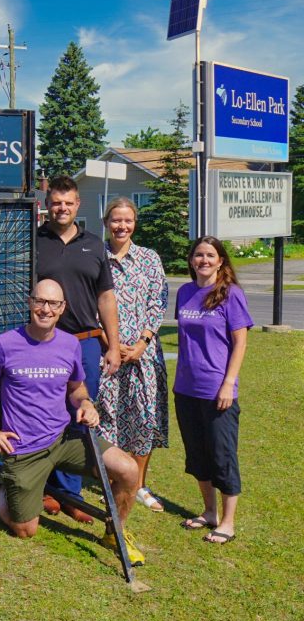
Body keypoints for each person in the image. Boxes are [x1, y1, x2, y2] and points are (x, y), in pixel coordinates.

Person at [0, 280, 144, 564]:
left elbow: (76, 389)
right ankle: (3, 484)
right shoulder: (4, 344)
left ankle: (115, 532)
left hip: (65, 438)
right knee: (25, 530)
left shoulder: (69, 344)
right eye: (40, 301)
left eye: (53, 304)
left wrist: (86, 403)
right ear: (30, 302)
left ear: (62, 308)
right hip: (24, 448)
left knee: (128, 470)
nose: (45, 309)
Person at [35, 175, 121, 524]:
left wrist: (113, 344)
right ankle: (43, 485)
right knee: (41, 411)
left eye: (68, 202)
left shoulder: (95, 245)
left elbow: (106, 297)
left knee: (80, 413)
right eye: (56, 202)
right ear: (47, 202)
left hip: (84, 342)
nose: (62, 208)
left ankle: (70, 493)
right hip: (44, 341)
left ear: (78, 205)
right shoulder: (33, 240)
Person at [174, 237, 251, 545]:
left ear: (221, 261)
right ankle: (209, 512)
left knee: (222, 455)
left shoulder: (231, 294)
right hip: (185, 388)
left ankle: (228, 522)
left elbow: (240, 342)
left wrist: (229, 383)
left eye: (210, 255)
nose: (203, 260)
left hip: (217, 388)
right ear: (191, 260)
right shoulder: (184, 292)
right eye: (198, 255)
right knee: (197, 454)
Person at [95, 199, 170, 512]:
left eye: (127, 220)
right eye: (115, 220)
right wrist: (110, 342)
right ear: (106, 222)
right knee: (108, 419)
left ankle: (138, 484)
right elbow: (88, 303)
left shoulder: (149, 259)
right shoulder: (97, 256)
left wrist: (141, 343)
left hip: (142, 355)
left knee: (143, 417)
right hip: (106, 352)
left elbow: (159, 301)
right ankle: (113, 482)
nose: (121, 226)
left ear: (134, 223)